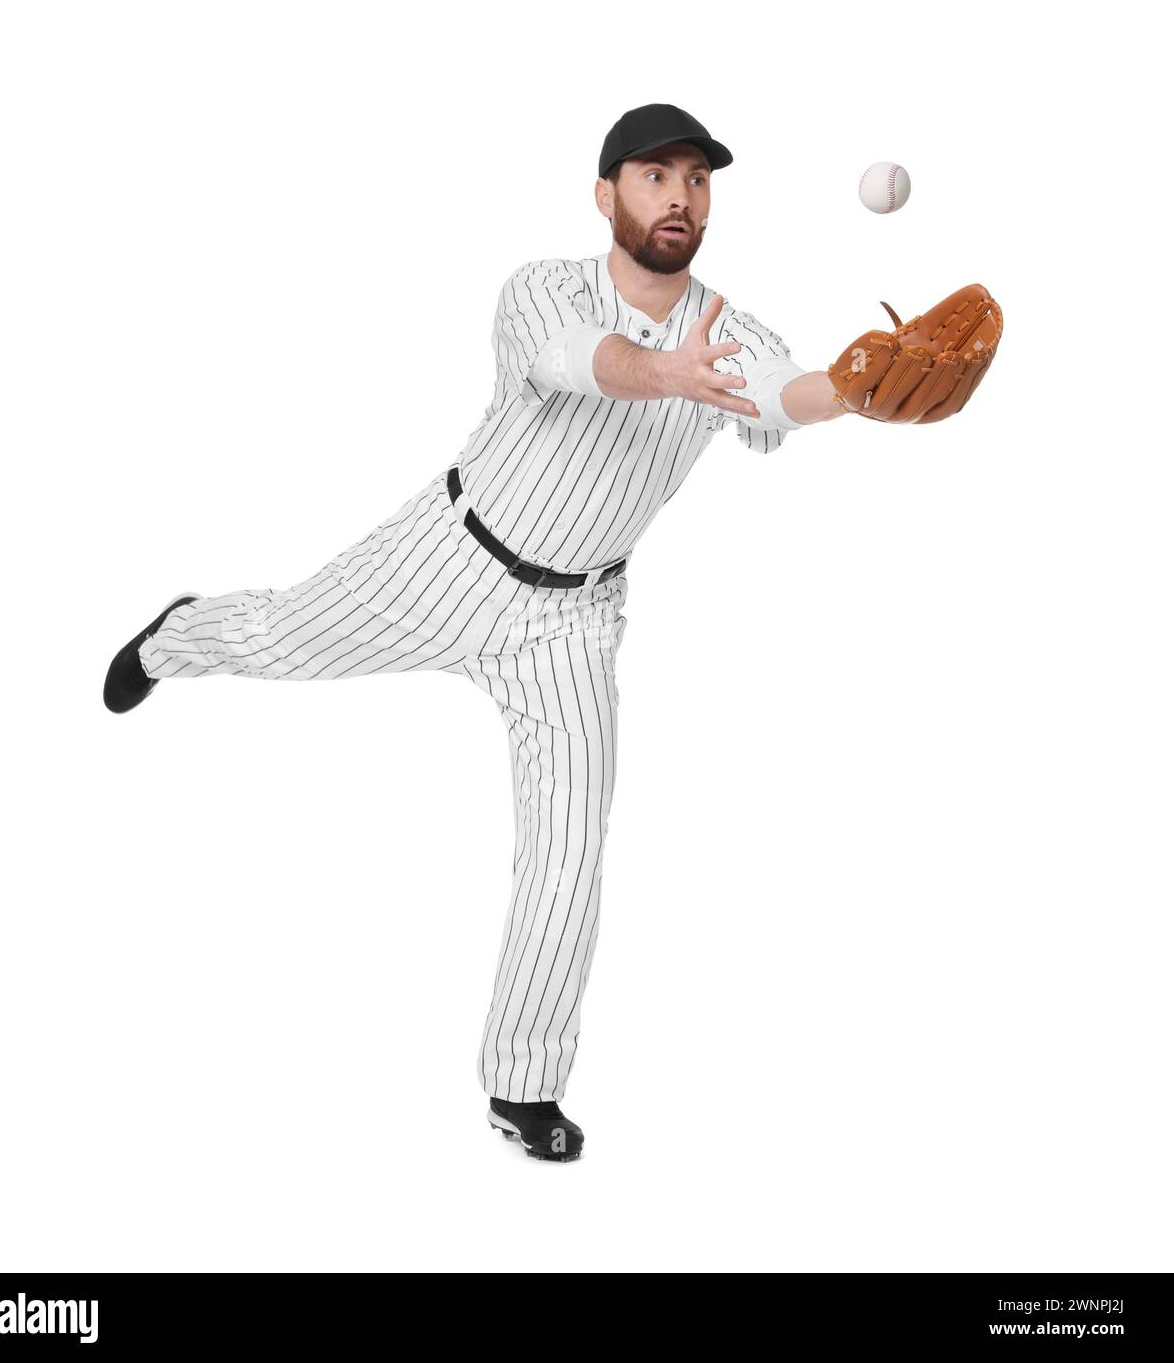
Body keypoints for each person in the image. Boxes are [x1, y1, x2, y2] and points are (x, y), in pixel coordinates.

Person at [104, 103, 847, 1163]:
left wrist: (860, 390)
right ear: (607, 195)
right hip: (448, 558)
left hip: (574, 620)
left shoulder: (729, 329)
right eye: (654, 174)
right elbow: (578, 362)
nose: (679, 195)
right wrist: (674, 375)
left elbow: (783, 392)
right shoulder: (540, 286)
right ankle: (176, 635)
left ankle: (524, 1088)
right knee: (274, 638)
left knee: (567, 851)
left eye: (696, 177)